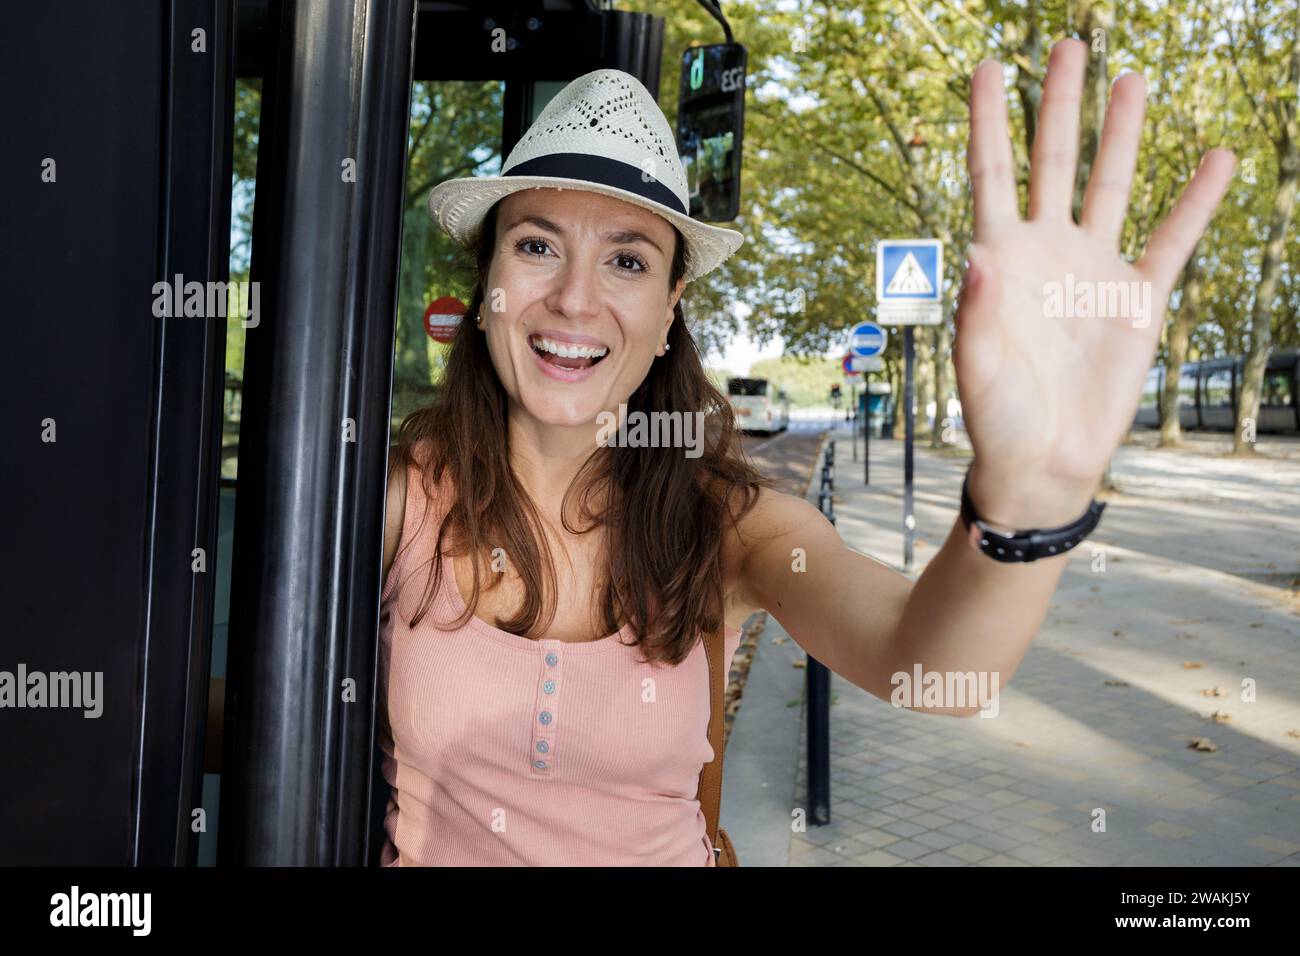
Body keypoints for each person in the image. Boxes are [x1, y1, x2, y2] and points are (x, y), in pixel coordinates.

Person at [376, 46, 1234, 866]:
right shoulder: (393, 499)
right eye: (536, 245)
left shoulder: (730, 527)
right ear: (486, 280)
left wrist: (1030, 498)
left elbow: (939, 670)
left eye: (627, 261)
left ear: (670, 307)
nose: (573, 297)